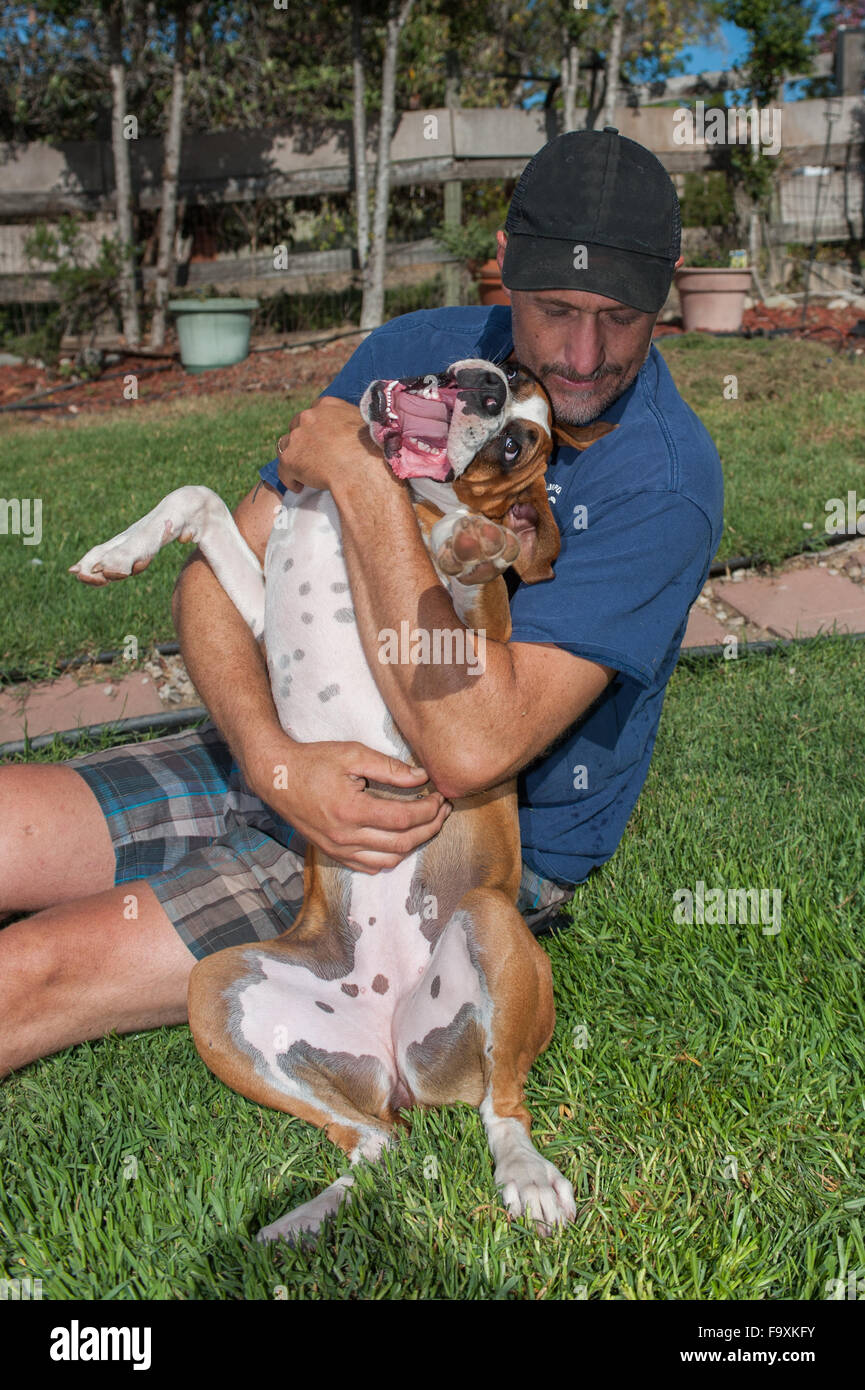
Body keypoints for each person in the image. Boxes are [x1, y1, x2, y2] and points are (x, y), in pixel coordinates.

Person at [0, 128, 722, 1076]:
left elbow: (470, 752)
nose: (584, 355)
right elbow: (215, 585)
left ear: (665, 291)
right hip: (292, 734)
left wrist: (361, 475)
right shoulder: (414, 354)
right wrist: (273, 761)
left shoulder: (662, 482)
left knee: (24, 974)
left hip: (438, 841)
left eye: (620, 317)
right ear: (501, 265)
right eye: (554, 310)